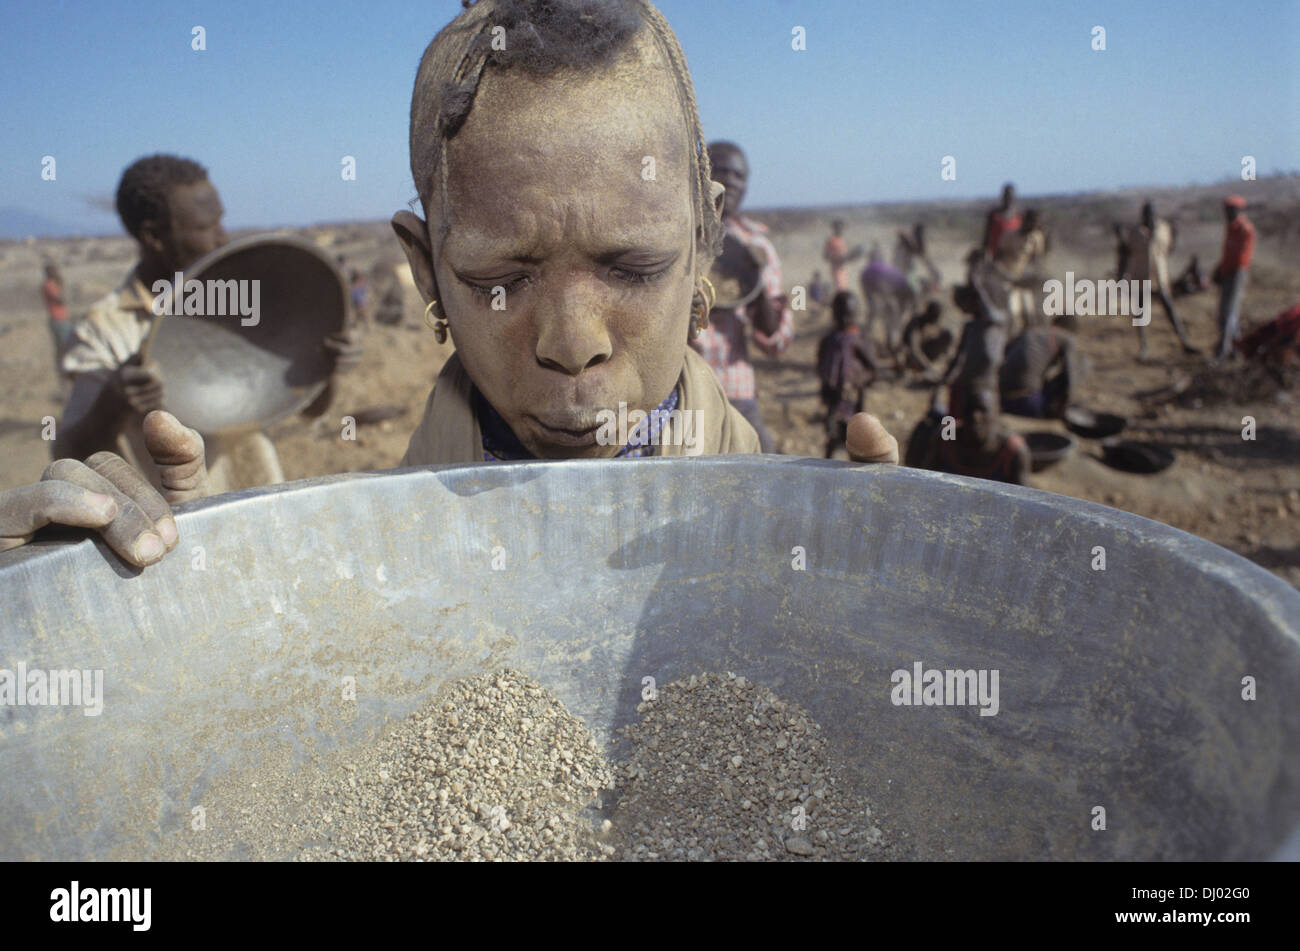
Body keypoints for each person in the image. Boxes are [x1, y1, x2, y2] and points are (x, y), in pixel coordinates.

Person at [0, 0, 899, 568]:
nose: (572, 341)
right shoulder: (397, 528)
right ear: (425, 268)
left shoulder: (777, 512)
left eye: (632, 267)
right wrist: (196, 572)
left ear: (705, 242)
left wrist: (864, 589)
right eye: (501, 276)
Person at [52, 154, 362, 495]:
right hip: (175, 528)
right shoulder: (107, 329)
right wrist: (114, 400)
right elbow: (72, 455)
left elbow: (307, 407)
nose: (221, 238)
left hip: (260, 504)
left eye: (220, 221)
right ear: (154, 236)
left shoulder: (240, 299)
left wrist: (324, 369)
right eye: (204, 227)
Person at [690, 140, 794, 453]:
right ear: (700, 173)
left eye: (740, 176)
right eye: (722, 171)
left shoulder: (757, 244)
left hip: (735, 390)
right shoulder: (672, 235)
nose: (732, 182)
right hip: (678, 387)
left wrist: (756, 280)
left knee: (766, 481)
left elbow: (777, 338)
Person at [1120, 201, 1198, 360]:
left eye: (1151, 213)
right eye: (1146, 214)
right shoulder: (1135, 232)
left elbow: (1168, 249)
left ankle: (1183, 341)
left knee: (1169, 309)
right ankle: (1144, 347)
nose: (1148, 217)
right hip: (1140, 277)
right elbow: (1127, 252)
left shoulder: (1164, 229)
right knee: (1140, 314)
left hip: (1159, 277)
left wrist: (1174, 236)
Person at [935, 256, 1008, 420]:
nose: (963, 310)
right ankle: (951, 440)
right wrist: (944, 380)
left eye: (965, 305)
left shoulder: (995, 321)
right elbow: (958, 357)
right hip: (969, 384)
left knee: (983, 422)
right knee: (956, 422)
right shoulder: (972, 327)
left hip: (986, 384)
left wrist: (978, 285)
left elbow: (990, 311)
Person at [909, 387, 1030, 486]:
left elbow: (1022, 501)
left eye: (983, 410)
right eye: (969, 410)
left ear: (996, 415)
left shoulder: (1013, 451)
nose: (975, 417)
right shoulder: (947, 437)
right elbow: (924, 481)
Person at [817, 292, 880, 458]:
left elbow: (873, 368)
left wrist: (858, 382)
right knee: (833, 438)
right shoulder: (830, 340)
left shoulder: (858, 339)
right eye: (841, 314)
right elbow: (822, 368)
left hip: (854, 400)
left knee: (856, 442)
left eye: (848, 314)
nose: (845, 319)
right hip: (835, 400)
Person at [999, 327, 1080, 419]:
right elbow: (1070, 376)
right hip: (1031, 402)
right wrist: (1064, 406)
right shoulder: (1067, 339)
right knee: (1083, 364)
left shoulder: (1031, 331)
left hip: (1003, 399)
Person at [1213, 195, 1256, 360]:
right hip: (1228, 272)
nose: (1226, 214)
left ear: (1238, 210)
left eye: (1230, 210)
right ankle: (1238, 349)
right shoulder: (1231, 227)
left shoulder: (1245, 229)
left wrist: (1226, 271)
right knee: (1228, 313)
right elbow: (1228, 253)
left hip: (1237, 273)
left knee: (1229, 312)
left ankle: (1223, 351)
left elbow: (1240, 258)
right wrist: (1220, 269)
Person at [859, 246, 915, 370]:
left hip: (867, 278)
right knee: (884, 311)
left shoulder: (895, 275)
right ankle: (875, 338)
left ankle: (868, 334)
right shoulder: (898, 280)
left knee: (875, 310)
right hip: (872, 281)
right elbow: (888, 293)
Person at [993, 208, 1048, 333]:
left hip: (1023, 279)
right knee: (1013, 313)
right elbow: (998, 258)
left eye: (1036, 223)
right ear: (1025, 221)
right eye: (1032, 222)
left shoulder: (1036, 238)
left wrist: (1033, 276)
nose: (1034, 226)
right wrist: (1003, 275)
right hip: (1006, 277)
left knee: (1029, 312)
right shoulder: (1008, 236)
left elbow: (1036, 260)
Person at [900, 300, 961, 383]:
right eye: (935, 316)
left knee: (948, 334)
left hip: (924, 357)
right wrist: (929, 367)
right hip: (912, 358)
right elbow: (914, 349)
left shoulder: (929, 324)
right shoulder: (916, 323)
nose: (937, 319)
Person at [41, 262, 73, 381]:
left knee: (65, 348)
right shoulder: (49, 285)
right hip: (58, 321)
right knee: (63, 349)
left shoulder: (53, 285)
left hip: (62, 319)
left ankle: (65, 374)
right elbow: (60, 300)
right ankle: (64, 375)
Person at [982, 183, 1021, 260]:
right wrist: (984, 253)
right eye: (1007, 196)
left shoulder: (1019, 217)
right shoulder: (994, 215)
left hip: (1014, 258)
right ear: (1003, 197)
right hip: (996, 257)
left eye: (1011, 196)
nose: (1009, 198)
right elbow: (986, 237)